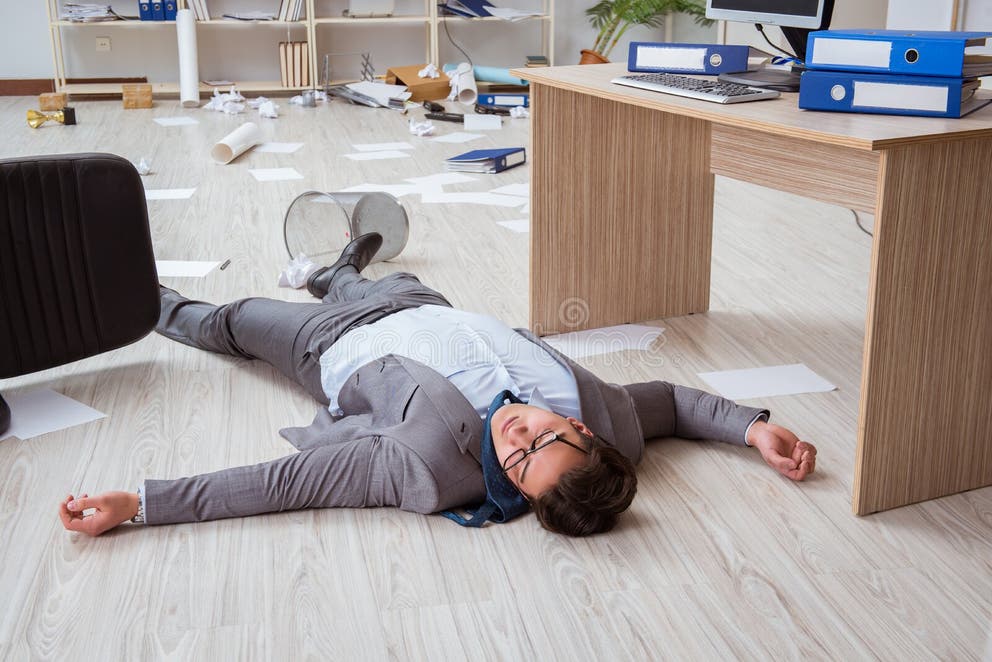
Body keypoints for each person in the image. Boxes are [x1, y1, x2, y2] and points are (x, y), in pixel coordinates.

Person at [59, 234, 816, 538]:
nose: (514, 438)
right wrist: (753, 429)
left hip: (332, 345)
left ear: (514, 489)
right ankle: (339, 270)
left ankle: (137, 298)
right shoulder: (609, 418)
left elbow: (282, 484)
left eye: (519, 464)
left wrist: (142, 504)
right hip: (422, 308)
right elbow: (678, 403)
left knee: (231, 319)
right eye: (542, 437)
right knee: (388, 281)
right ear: (580, 433)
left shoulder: (426, 464)